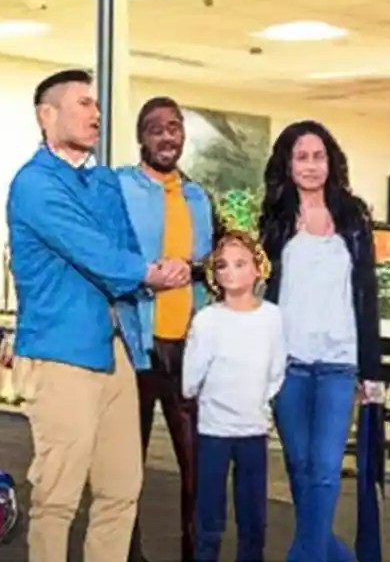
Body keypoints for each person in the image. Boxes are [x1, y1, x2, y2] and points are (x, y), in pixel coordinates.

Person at [7, 69, 190, 562]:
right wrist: (152, 272)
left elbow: (122, 246)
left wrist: (147, 269)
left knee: (121, 490)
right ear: (48, 115)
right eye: (84, 104)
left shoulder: (104, 181)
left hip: (117, 353)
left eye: (97, 105)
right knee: (57, 498)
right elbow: (94, 252)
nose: (96, 114)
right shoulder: (34, 184)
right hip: (61, 355)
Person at [258, 120, 385, 562]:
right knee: (300, 471)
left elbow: (367, 294)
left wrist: (372, 371)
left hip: (339, 364)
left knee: (327, 472)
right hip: (288, 364)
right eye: (301, 157)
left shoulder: (353, 219)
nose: (311, 166)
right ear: (287, 165)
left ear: (331, 162)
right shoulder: (274, 220)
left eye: (318, 157)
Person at [117, 97, 214, 562]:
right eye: (156, 129)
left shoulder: (198, 198)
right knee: (127, 465)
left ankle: (193, 551)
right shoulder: (119, 188)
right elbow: (109, 258)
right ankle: (129, 554)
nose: (167, 136)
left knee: (196, 465)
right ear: (142, 137)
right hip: (136, 344)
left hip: (187, 347)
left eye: (174, 127)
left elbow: (210, 271)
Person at [182, 231, 286, 562]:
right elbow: (190, 378)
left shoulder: (273, 317)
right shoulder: (207, 320)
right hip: (213, 432)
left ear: (258, 268)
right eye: (223, 265)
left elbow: (277, 370)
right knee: (209, 519)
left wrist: (259, 404)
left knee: (253, 521)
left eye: (240, 264)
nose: (231, 272)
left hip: (253, 432)